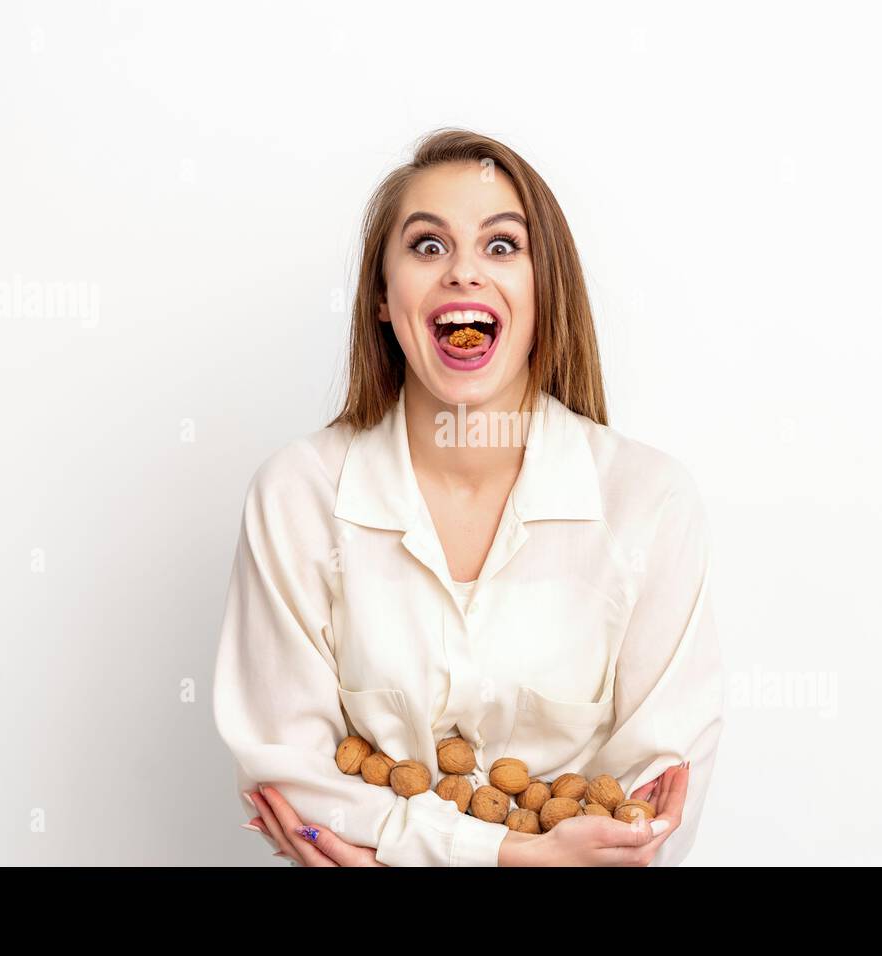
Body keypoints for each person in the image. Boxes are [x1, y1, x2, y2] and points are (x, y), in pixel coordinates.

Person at [212, 128, 724, 866]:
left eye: (502, 246)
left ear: (547, 289)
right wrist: (521, 854)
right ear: (382, 300)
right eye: (427, 246)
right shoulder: (297, 497)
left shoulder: (650, 502)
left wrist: (393, 847)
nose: (462, 274)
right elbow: (286, 775)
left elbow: (647, 818)